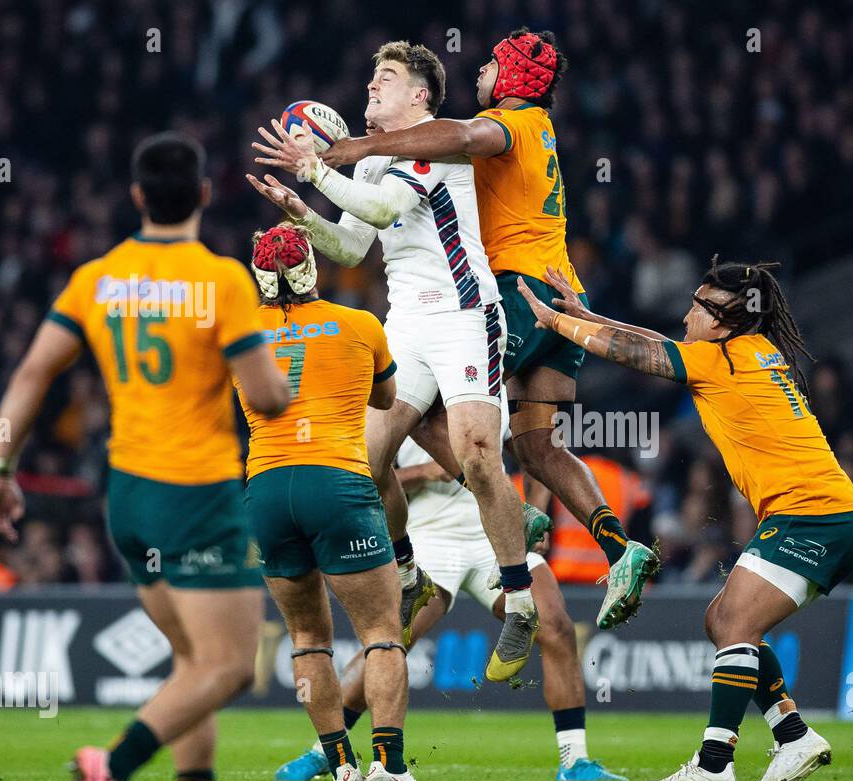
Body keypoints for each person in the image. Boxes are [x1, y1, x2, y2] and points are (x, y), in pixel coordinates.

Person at [258, 27, 660, 632]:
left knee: (445, 427)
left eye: (492, 67)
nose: (481, 74)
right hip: (545, 290)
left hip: (503, 297)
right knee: (533, 447)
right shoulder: (475, 140)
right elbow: (351, 242)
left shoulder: (479, 130)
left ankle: (506, 553)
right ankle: (618, 548)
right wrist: (307, 212)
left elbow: (435, 161)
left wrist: (329, 159)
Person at [0, 132, 292, 781]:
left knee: (192, 666)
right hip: (198, 495)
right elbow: (269, 396)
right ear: (205, 196)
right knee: (228, 667)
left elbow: (30, 375)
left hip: (126, 499)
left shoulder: (98, 277)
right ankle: (109, 768)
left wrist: (0, 468)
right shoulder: (221, 281)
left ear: (137, 197)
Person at [516, 261, 853, 781]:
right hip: (829, 515)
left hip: (813, 515)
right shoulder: (749, 351)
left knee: (732, 625)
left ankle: (714, 764)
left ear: (723, 319)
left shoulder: (722, 359)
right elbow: (657, 343)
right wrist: (586, 314)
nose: (686, 315)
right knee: (723, 621)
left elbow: (637, 354)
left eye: (698, 306)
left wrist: (559, 323)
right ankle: (791, 735)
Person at [247, 41, 539, 682]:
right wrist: (303, 212)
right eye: (371, 77)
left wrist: (317, 173)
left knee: (477, 456)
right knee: (366, 460)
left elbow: (383, 210)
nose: (371, 87)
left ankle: (519, 599)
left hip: (464, 317)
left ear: (421, 96)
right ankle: (407, 571)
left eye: (387, 78)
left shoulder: (437, 144)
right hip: (405, 323)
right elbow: (353, 245)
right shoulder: (376, 163)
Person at [275, 434, 627, 781]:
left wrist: (531, 512)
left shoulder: (492, 385)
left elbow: (534, 451)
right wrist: (424, 472)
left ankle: (574, 759)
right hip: (429, 537)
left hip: (497, 535)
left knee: (557, 627)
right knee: (390, 640)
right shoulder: (409, 391)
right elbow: (368, 473)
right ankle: (323, 751)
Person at [239, 222, 437, 781]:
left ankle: (341, 768)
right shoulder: (360, 324)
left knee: (306, 637)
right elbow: (385, 399)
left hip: (268, 489)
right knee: (381, 632)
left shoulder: (239, 336)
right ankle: (390, 766)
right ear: (311, 268)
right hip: (337, 482)